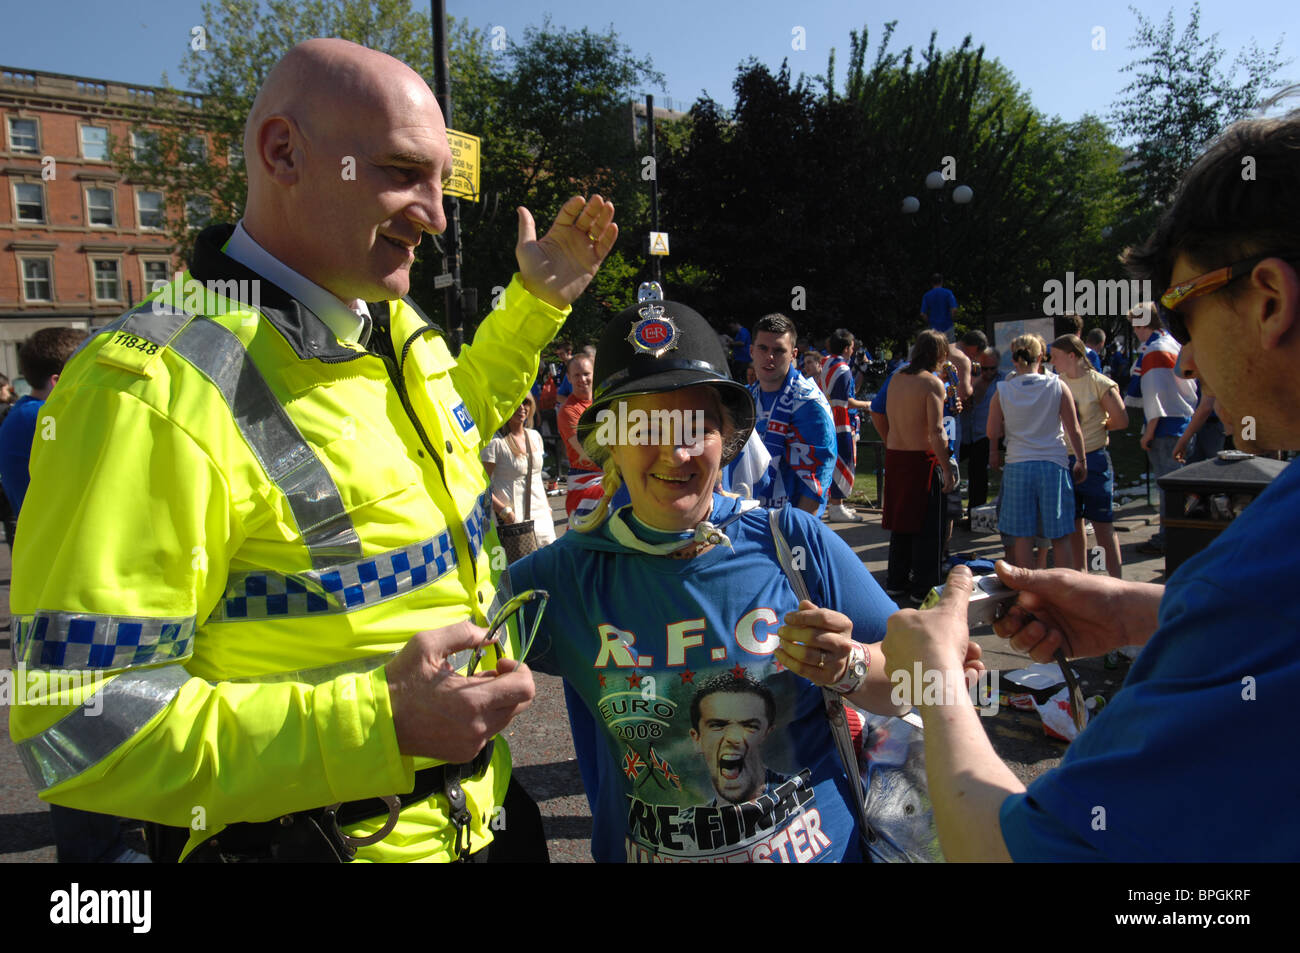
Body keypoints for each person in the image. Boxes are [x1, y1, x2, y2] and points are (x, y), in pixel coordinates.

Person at [8, 38, 620, 864]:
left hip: (481, 822)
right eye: (403, 172)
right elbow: (70, 719)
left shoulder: (388, 324)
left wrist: (536, 304)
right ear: (284, 152)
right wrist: (379, 723)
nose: (436, 214)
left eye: (441, 179)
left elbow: (446, 433)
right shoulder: (141, 391)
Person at [882, 109, 1300, 862]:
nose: (1190, 363)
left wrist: (938, 682)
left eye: (1186, 312)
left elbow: (1015, 852)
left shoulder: (1265, 562)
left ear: (1268, 298)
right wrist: (1148, 610)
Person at [508, 299, 976, 863]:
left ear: (726, 437)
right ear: (609, 440)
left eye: (694, 427)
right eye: (644, 427)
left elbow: (921, 680)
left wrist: (850, 666)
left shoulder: (791, 542)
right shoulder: (564, 576)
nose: (675, 452)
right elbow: (428, 650)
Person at [987, 333, 1086, 570]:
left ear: (1014, 359)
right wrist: (1081, 459)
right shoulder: (1057, 385)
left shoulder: (1003, 389)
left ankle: (1026, 592)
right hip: (1053, 463)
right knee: (1060, 535)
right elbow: (1074, 428)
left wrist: (995, 450)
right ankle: (1064, 592)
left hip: (1018, 464)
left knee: (1022, 536)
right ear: (1041, 356)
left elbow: (992, 430)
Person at [881, 330, 958, 604]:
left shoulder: (897, 378)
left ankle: (896, 580)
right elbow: (937, 430)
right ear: (939, 354)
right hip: (920, 460)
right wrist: (947, 468)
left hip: (896, 455)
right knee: (929, 527)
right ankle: (924, 587)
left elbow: (883, 414)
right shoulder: (932, 384)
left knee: (901, 523)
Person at [1050, 334, 1128, 577]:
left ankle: (1117, 581)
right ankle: (1081, 574)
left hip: (1094, 458)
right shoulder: (1055, 382)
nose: (1052, 362)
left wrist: (1100, 427)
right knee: (1073, 523)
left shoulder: (1100, 382)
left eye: (1055, 357)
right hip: (1065, 459)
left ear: (1072, 355)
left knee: (1103, 524)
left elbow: (1122, 419)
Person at [1125, 301, 1198, 556]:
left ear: (1143, 323)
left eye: (1135, 324)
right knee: (1178, 487)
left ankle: (1169, 538)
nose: (1133, 330)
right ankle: (1180, 533)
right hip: (1183, 423)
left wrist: (1148, 431)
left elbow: (1155, 395)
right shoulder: (1172, 343)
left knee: (1167, 488)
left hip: (1165, 429)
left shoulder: (1153, 350)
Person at [747, 313, 836, 515]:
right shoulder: (746, 397)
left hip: (789, 520)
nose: (770, 357)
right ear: (751, 351)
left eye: (779, 350)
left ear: (794, 354)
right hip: (749, 516)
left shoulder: (810, 403)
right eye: (763, 348)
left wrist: (798, 529)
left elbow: (818, 476)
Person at [482, 393, 556, 547]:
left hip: (542, 515)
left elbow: (536, 477)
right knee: (521, 567)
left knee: (549, 565)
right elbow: (482, 485)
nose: (522, 408)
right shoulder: (495, 442)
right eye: (516, 403)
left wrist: (547, 507)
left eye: (526, 402)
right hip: (514, 520)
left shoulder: (535, 436)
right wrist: (504, 512)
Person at [819, 329, 871, 522]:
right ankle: (836, 506)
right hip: (841, 421)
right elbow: (846, 401)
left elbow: (850, 391)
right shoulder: (842, 368)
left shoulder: (826, 362)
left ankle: (836, 504)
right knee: (843, 459)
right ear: (848, 348)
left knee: (834, 459)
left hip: (827, 418)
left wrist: (860, 371)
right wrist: (868, 405)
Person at [557, 352, 602, 519]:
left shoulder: (602, 402)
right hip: (585, 480)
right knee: (586, 537)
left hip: (610, 476)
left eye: (586, 374)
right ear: (568, 378)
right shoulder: (568, 411)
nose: (582, 379)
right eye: (576, 375)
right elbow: (588, 452)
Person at [959, 347, 1001, 521]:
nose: (988, 373)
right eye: (984, 368)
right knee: (967, 472)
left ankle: (975, 515)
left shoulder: (1003, 381)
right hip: (967, 433)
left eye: (992, 368)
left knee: (978, 474)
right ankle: (966, 513)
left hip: (986, 434)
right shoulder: (968, 379)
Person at [920, 273, 959, 341]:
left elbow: (923, 314)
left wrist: (929, 322)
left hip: (934, 329)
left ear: (932, 283)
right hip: (948, 326)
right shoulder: (948, 293)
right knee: (950, 348)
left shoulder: (927, 295)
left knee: (935, 348)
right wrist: (952, 318)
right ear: (942, 281)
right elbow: (954, 309)